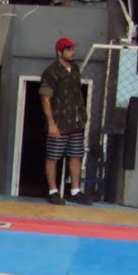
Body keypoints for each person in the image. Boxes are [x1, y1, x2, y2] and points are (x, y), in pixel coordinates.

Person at [39, 37, 90, 204]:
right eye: (68, 49)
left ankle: (75, 190)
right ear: (59, 52)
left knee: (76, 155)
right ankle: (53, 191)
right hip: (59, 122)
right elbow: (45, 98)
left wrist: (82, 114)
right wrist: (51, 123)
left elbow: (78, 92)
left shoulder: (75, 69)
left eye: (72, 49)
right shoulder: (51, 71)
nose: (72, 52)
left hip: (75, 122)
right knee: (53, 156)